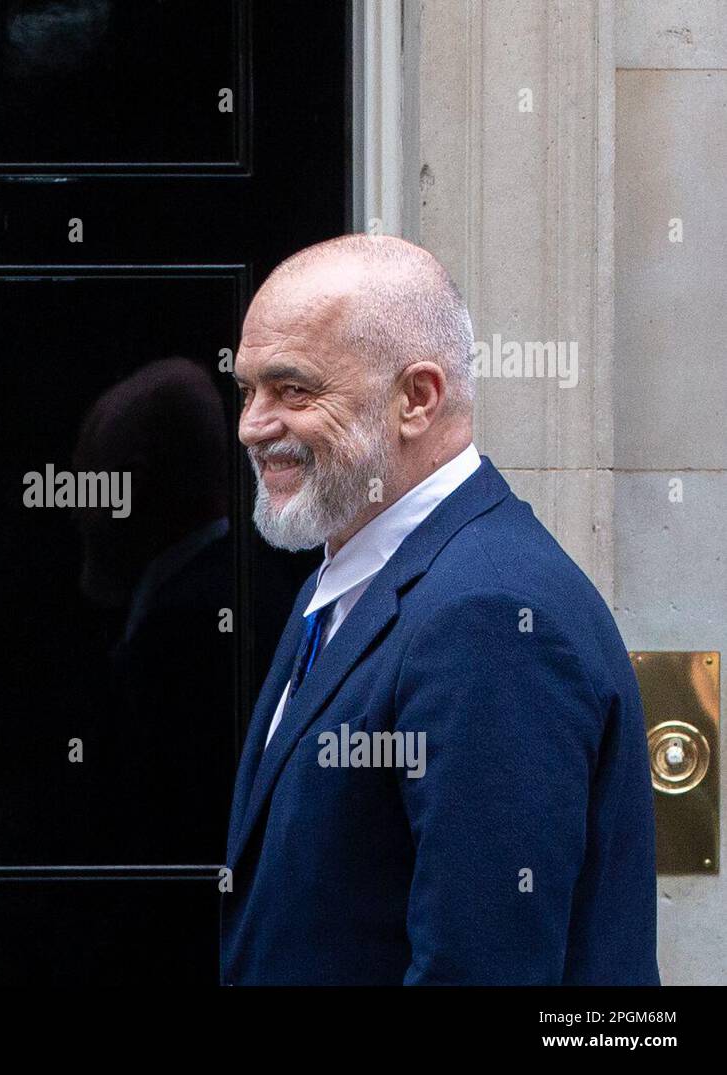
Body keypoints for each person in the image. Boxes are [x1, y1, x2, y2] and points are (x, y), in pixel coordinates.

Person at [222, 234, 659, 985]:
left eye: (293, 391)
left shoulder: (488, 616)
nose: (253, 425)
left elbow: (483, 967)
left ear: (417, 398)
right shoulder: (351, 569)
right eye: (247, 390)